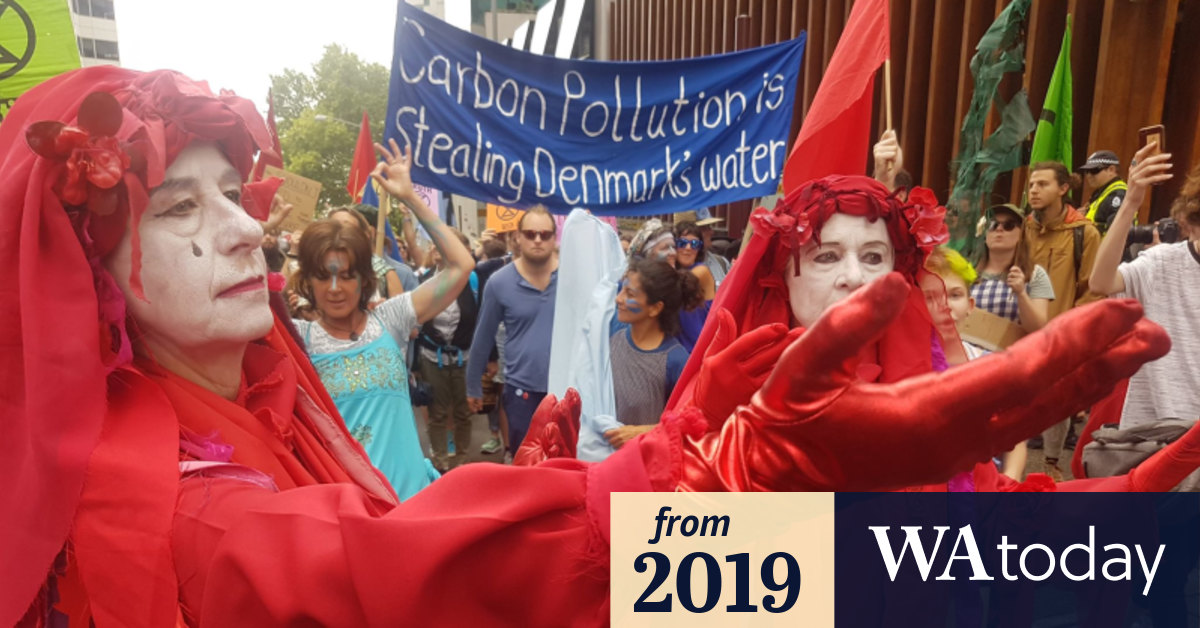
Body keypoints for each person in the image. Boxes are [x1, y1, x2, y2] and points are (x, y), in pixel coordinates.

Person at [1, 68, 1188, 628]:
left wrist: (1078, 552)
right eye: (179, 209)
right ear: (81, 268)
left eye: (234, 193)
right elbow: (408, 570)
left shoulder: (246, 402)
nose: (247, 225)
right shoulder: (167, 499)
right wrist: (715, 472)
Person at [1088, 142, 1200, 430]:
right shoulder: (1162, 263)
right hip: (1152, 439)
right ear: (1192, 218)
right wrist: (1131, 202)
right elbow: (1101, 281)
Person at [1024, 161, 1103, 479]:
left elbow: (1092, 290)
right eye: (1031, 185)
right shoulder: (1025, 227)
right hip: (1022, 335)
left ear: (1063, 189)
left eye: (1042, 184)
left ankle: (1051, 467)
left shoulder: (1085, 233)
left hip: (1061, 337)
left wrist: (1072, 333)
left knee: (1057, 408)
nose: (1033, 190)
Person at [926, 247, 1026, 481]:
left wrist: (1009, 480)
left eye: (955, 295)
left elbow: (1017, 439)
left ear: (971, 305)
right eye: (931, 296)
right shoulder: (905, 368)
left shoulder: (991, 366)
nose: (945, 305)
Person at [465, 206, 559, 456]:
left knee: (565, 468)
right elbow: (483, 337)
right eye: (530, 234)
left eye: (545, 234)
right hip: (521, 393)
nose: (538, 240)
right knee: (527, 465)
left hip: (566, 389)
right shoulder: (499, 282)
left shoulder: (572, 277)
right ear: (517, 237)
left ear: (554, 237)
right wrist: (473, 385)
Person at [595, 260, 700, 458]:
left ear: (655, 308)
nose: (619, 299)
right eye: (622, 290)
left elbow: (690, 424)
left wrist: (645, 431)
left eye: (630, 294)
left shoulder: (675, 361)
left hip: (647, 469)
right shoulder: (612, 341)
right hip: (605, 463)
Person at [415, 229, 479, 472]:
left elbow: (482, 320)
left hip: (465, 356)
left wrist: (490, 357)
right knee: (437, 412)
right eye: (434, 246)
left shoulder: (472, 282)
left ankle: (462, 461)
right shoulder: (423, 281)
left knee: (464, 411)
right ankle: (440, 462)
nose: (436, 250)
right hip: (433, 357)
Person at [971, 203, 1055, 332]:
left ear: (1021, 235)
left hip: (1012, 351)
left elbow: (1038, 328)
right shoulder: (968, 271)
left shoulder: (1035, 274)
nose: (999, 229)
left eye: (1008, 225)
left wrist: (1021, 293)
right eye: (992, 225)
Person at [327, 206, 405, 301]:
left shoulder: (386, 274)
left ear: (365, 235)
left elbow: (399, 312)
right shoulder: (311, 267)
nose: (339, 232)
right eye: (333, 226)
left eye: (347, 227)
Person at [673, 220, 716, 352]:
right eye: (682, 243)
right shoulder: (671, 272)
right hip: (676, 351)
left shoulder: (702, 271)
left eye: (695, 244)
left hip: (698, 351)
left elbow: (674, 284)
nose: (688, 248)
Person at [1078, 149, 1128, 234]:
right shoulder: (1103, 192)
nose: (1089, 175)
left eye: (1094, 170)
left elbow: (1116, 231)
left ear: (1111, 170)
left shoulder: (1118, 194)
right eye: (1087, 171)